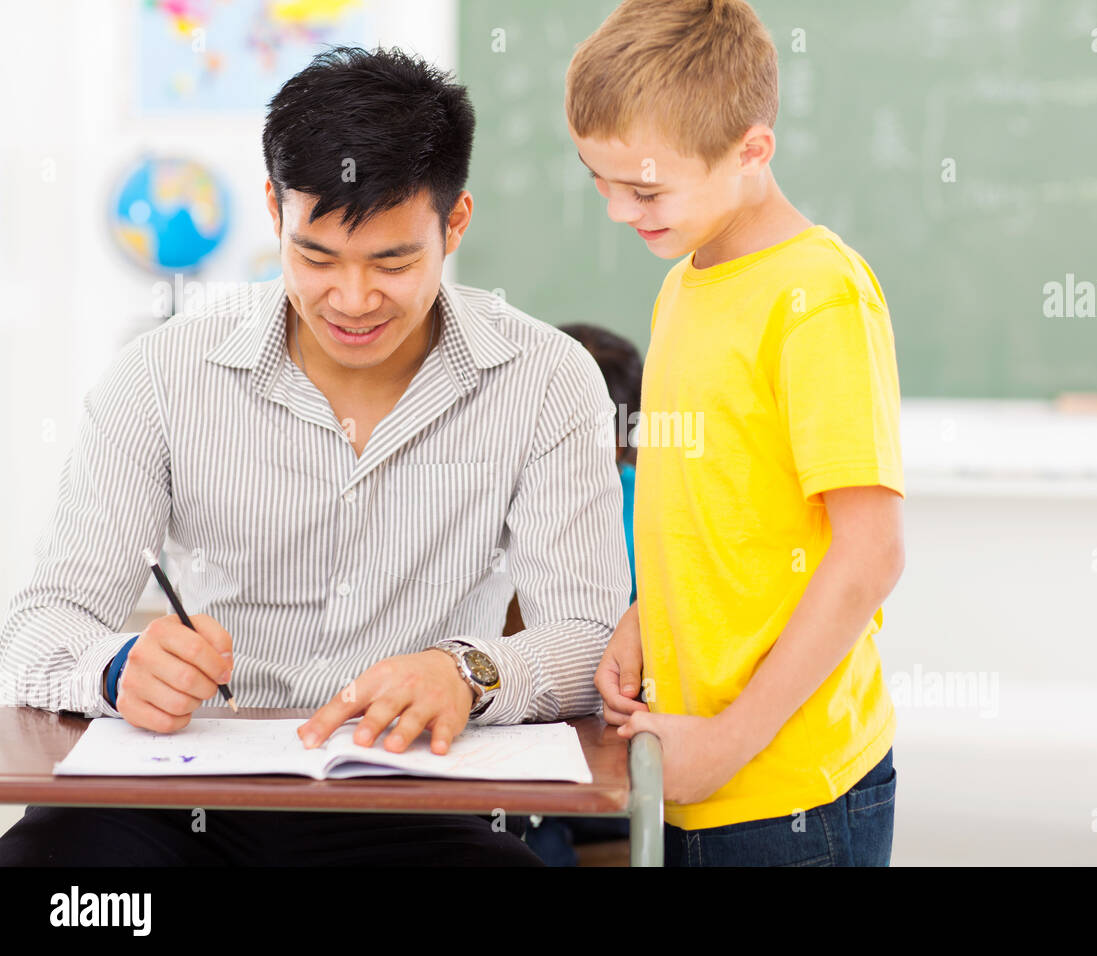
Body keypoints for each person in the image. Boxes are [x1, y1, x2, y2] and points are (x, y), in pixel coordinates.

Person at [0, 46, 629, 867]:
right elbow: (36, 630)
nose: (354, 299)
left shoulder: (546, 380)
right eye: (318, 257)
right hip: (178, 798)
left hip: (412, 802)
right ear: (274, 209)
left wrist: (469, 671)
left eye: (394, 261)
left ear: (457, 222)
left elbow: (592, 638)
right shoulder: (160, 376)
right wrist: (114, 668)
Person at [566, 0, 907, 866]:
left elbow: (870, 554)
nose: (617, 210)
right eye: (597, 180)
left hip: (789, 791)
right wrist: (648, 617)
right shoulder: (684, 280)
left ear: (751, 151)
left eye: (644, 190)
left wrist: (729, 741)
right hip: (691, 770)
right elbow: (717, 504)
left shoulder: (817, 297)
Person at [517, 324, 641, 865]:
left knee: (531, 826)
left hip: (592, 741)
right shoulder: (645, 490)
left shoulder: (637, 500)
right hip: (588, 739)